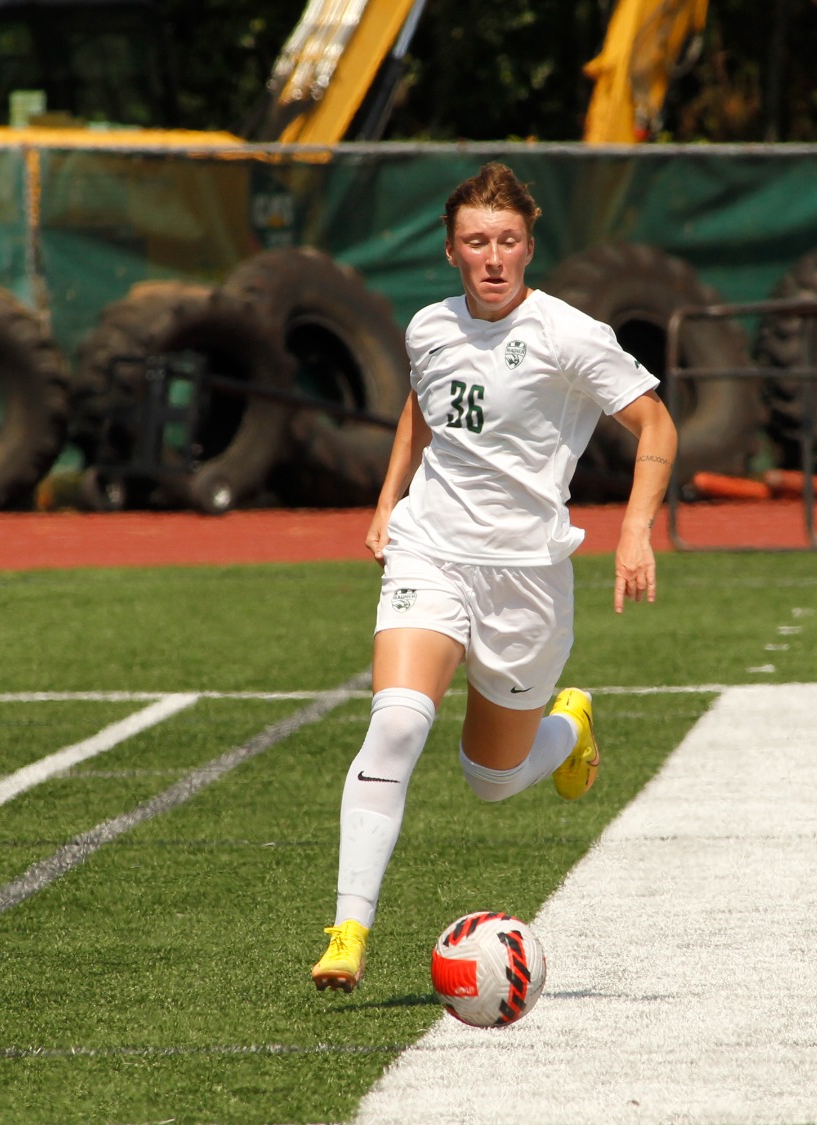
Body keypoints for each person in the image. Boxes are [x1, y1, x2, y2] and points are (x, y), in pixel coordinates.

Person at [311, 163, 678, 992]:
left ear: (529, 247)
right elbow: (425, 404)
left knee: (493, 779)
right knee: (398, 723)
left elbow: (654, 421)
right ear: (451, 250)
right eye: (477, 241)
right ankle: (348, 930)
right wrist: (388, 500)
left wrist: (635, 532)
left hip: (527, 579)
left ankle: (568, 727)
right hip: (431, 552)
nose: (493, 257)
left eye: (507, 241)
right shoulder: (429, 327)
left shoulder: (568, 335)